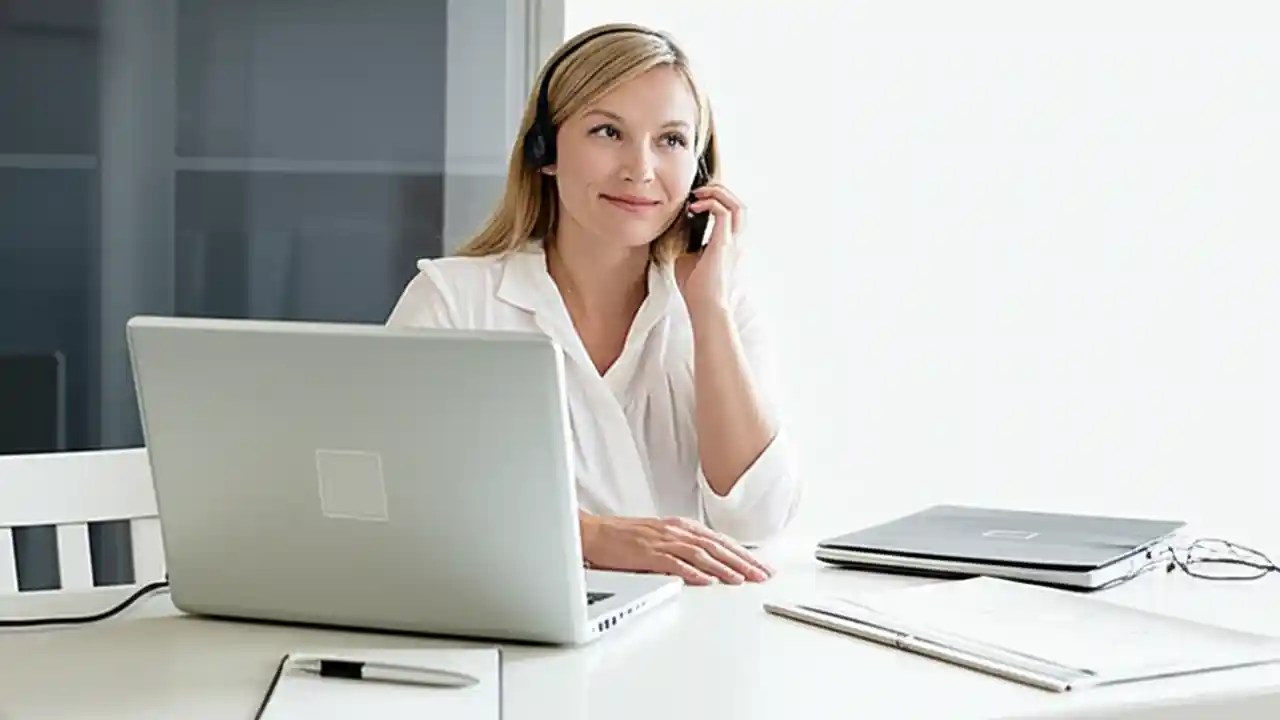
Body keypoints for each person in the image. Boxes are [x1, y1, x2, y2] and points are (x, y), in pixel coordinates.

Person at [387, 22, 800, 586]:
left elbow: (756, 519)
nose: (641, 169)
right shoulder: (453, 303)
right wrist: (589, 535)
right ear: (545, 151)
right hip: (511, 635)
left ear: (699, 170)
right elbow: (398, 501)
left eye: (672, 140)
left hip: (695, 639)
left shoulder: (720, 306)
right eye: (608, 132)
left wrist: (709, 311)